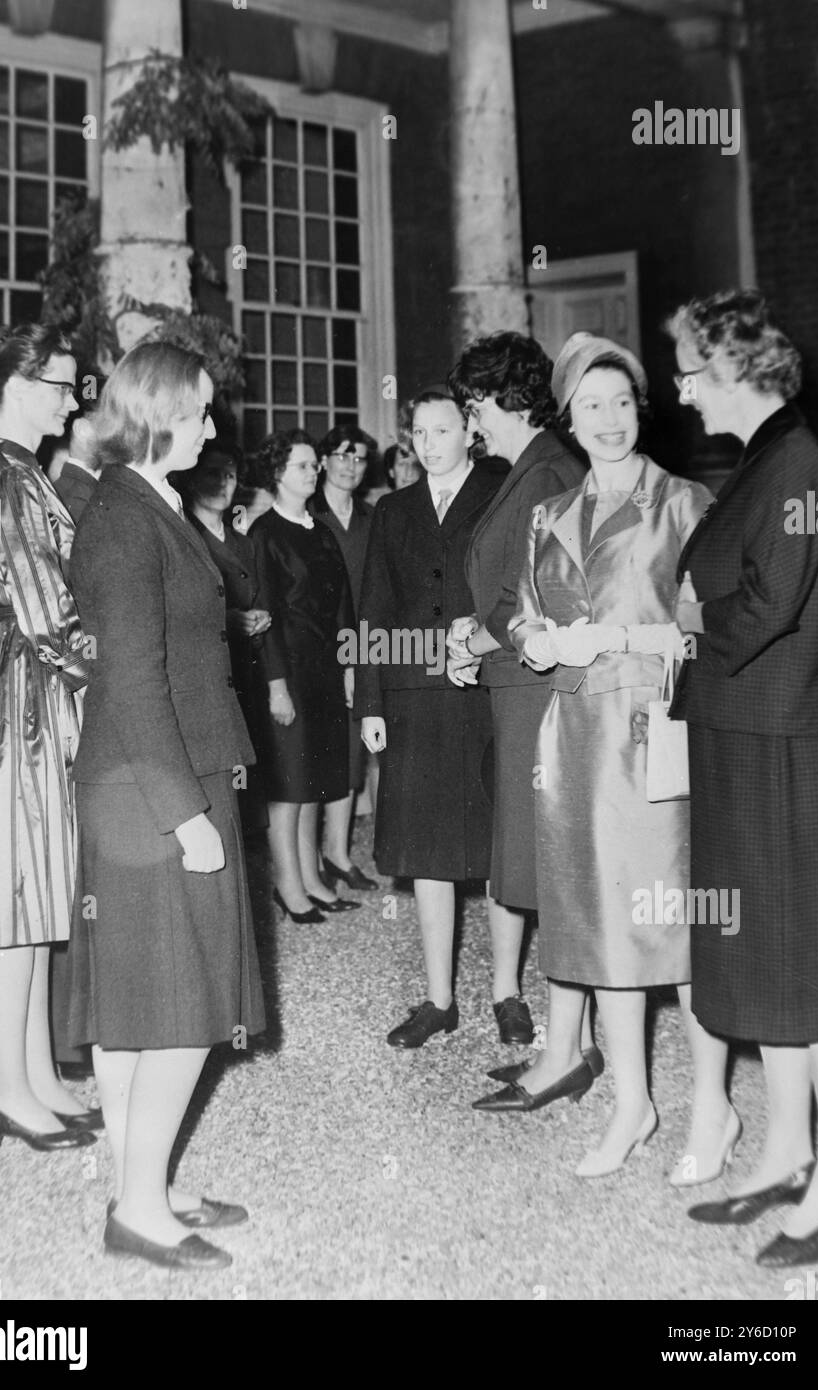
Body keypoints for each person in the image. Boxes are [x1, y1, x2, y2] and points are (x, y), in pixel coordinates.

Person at [472, 334, 733, 1188]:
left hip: (655, 736)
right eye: (592, 406)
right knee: (596, 929)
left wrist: (617, 636)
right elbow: (521, 612)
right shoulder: (552, 513)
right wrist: (532, 638)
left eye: (622, 402)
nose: (611, 420)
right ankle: (631, 1103)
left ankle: (710, 1107)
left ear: (639, 408)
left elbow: (714, 629)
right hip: (576, 739)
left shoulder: (684, 503)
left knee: (677, 930)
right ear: (569, 418)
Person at [67, 341, 265, 1271]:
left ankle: (142, 1184)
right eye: (201, 411)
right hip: (154, 789)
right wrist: (187, 814)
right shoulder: (123, 517)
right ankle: (141, 1210)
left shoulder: (148, 502)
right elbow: (134, 681)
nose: (215, 427)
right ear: (159, 411)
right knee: (180, 1005)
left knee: (142, 1004)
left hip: (156, 777)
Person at [667, 290, 818, 1265]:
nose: (683, 393)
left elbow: (768, 602)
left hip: (786, 744)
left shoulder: (799, 462)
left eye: (692, 372)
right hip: (744, 733)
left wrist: (689, 622)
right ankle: (782, 1150)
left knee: (810, 970)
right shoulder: (767, 458)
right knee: (768, 961)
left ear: (735, 370)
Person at [0, 322, 96, 1152]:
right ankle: (6, 1089)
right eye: (62, 386)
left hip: (29, 685)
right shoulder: (5, 479)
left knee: (37, 886)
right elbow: (49, 621)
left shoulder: (21, 472)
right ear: (20, 388)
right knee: (12, 891)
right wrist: (116, 676)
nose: (73, 402)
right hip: (27, 695)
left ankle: (36, 1074)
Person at [446, 331, 589, 1049]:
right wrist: (477, 630)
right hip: (516, 684)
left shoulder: (543, 473)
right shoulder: (531, 468)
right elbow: (510, 585)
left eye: (473, 406)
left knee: (548, 854)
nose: (471, 423)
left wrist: (474, 638)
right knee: (521, 845)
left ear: (501, 399)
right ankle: (518, 999)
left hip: (540, 691)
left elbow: (536, 598)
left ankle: (575, 1037)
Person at [356, 387, 502, 1047]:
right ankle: (440, 999)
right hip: (415, 697)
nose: (431, 443)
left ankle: (508, 993)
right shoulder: (393, 510)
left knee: (501, 847)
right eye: (420, 432)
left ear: (469, 431)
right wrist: (371, 703)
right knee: (431, 854)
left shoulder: (502, 492)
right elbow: (374, 611)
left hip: (488, 691)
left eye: (444, 430)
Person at [249, 430, 357, 923]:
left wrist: (350, 664)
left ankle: (314, 878)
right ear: (277, 474)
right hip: (287, 670)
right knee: (288, 785)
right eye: (302, 466)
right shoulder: (265, 533)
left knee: (316, 778)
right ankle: (288, 886)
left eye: (315, 465)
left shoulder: (321, 529)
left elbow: (343, 607)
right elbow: (264, 612)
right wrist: (275, 685)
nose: (313, 472)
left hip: (325, 671)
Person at [180, 448, 273, 833]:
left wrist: (261, 619)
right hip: (206, 680)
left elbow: (260, 599)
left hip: (245, 673)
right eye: (212, 474)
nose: (222, 484)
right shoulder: (186, 538)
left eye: (231, 476)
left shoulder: (243, 542)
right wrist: (227, 620)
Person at [49, 411, 99, 1081]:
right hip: (85, 692)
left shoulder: (88, 489)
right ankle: (69, 1034)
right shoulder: (75, 496)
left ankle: (75, 1030)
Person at [309, 425, 378, 891]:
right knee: (314, 753)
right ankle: (306, 858)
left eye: (359, 458)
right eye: (342, 456)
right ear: (323, 462)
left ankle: (337, 851)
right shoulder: (308, 515)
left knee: (352, 753)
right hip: (315, 649)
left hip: (363, 646)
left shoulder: (374, 519)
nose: (350, 466)